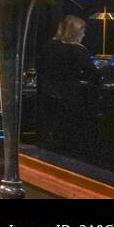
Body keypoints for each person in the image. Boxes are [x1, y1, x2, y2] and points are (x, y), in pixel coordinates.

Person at [36, 14, 100, 155]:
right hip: (70, 99)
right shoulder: (77, 50)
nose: (84, 35)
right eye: (82, 31)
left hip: (48, 96)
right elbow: (94, 75)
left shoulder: (48, 46)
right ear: (76, 32)